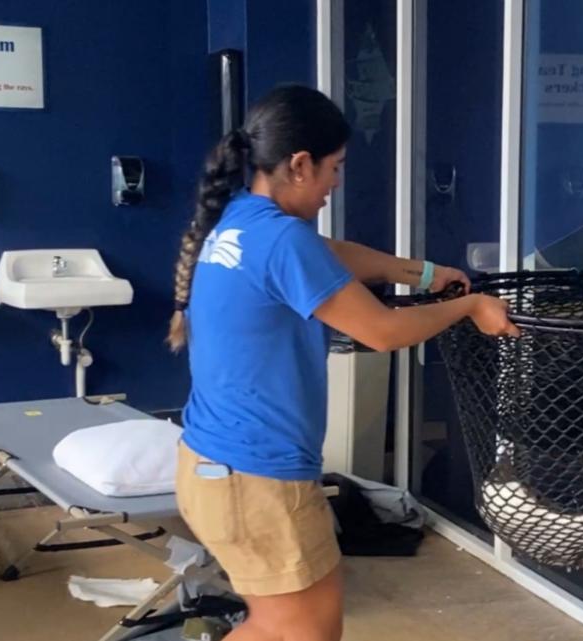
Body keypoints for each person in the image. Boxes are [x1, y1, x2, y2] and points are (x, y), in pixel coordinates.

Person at [167, 84, 519, 641]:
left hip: (218, 467)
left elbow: (334, 256)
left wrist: (423, 274)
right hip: (254, 481)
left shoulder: (241, 220)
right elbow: (381, 331)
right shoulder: (281, 240)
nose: (337, 183)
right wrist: (469, 306)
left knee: (286, 627)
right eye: (336, 168)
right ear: (300, 165)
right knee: (297, 631)